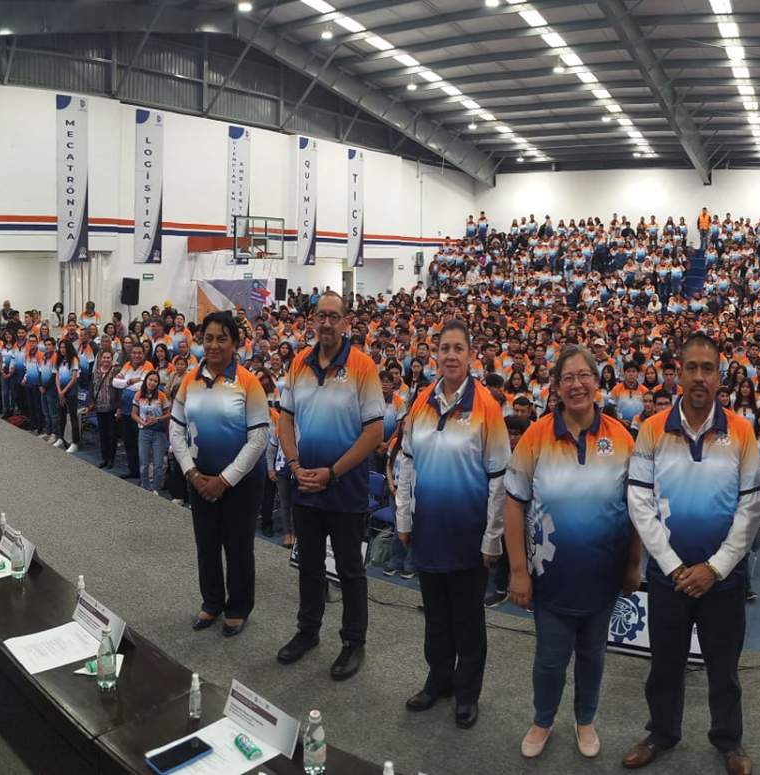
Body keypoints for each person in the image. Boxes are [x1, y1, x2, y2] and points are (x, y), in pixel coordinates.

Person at [622, 333, 760, 775]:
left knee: (725, 669)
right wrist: (676, 567)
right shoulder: (652, 428)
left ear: (720, 376)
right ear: (678, 373)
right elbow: (639, 502)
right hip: (668, 576)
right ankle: (661, 732)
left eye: (708, 369)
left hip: (724, 578)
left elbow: (751, 508)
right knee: (664, 665)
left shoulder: (741, 430)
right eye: (692, 368)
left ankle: (729, 741)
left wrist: (715, 568)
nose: (699, 377)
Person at [503, 344, 642, 760]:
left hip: (603, 576)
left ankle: (585, 718)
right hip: (550, 577)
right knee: (549, 660)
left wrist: (634, 564)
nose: (577, 384)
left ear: (598, 383)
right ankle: (543, 719)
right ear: (557, 386)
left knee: (592, 658)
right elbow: (514, 502)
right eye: (568, 377)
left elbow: (636, 509)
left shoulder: (621, 438)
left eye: (585, 376)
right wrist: (518, 571)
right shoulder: (536, 434)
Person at [394, 320, 511, 730]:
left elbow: (500, 477)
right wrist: (403, 515)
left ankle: (466, 692)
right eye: (444, 348)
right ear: (435, 354)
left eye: (458, 348)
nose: (450, 356)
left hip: (468, 534)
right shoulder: (422, 401)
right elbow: (406, 462)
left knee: (467, 618)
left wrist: (492, 537)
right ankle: (438, 679)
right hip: (427, 529)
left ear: (471, 354)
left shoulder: (487, 408)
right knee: (436, 615)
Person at [275, 291, 385, 680]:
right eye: (320, 316)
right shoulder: (298, 364)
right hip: (305, 483)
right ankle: (308, 632)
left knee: (351, 571)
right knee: (309, 566)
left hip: (345, 486)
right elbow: (284, 418)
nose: (326, 323)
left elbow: (374, 432)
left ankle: (354, 643)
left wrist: (333, 472)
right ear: (312, 321)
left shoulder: (362, 366)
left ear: (345, 322)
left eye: (333, 316)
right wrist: (293, 463)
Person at [170, 312, 272, 638]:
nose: (214, 345)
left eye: (221, 338)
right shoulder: (190, 379)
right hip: (200, 479)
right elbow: (175, 429)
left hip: (240, 483)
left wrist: (224, 480)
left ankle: (238, 607)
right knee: (207, 544)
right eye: (209, 338)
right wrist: (193, 473)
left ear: (235, 342)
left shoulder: (249, 382)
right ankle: (212, 601)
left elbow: (259, 439)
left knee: (239, 546)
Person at [115, 343, 154, 479]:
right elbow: (114, 382)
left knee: (141, 443)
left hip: (139, 411)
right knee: (129, 441)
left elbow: (142, 386)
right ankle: (133, 471)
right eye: (134, 353)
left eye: (139, 353)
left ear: (143, 354)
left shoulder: (148, 366)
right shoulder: (127, 365)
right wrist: (129, 382)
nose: (136, 355)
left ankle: (143, 474)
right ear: (130, 354)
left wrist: (126, 383)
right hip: (125, 408)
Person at [134, 371, 171, 493]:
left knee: (158, 464)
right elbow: (133, 414)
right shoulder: (139, 394)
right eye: (150, 380)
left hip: (158, 433)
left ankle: (156, 489)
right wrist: (141, 421)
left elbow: (169, 414)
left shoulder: (162, 396)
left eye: (155, 381)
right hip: (144, 431)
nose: (152, 383)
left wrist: (157, 419)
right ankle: (145, 487)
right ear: (146, 380)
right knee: (144, 463)